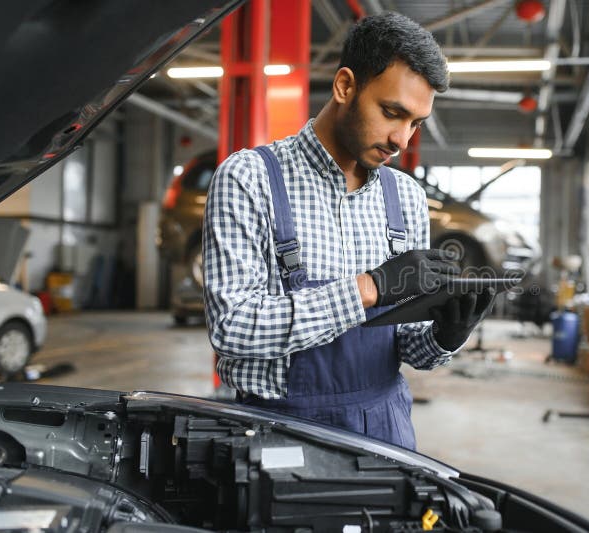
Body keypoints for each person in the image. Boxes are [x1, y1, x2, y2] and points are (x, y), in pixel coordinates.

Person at [202, 12, 495, 449]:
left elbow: (408, 348)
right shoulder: (250, 178)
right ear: (345, 86)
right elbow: (233, 327)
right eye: (392, 112)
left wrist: (444, 336)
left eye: (415, 122)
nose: (402, 139)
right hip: (279, 432)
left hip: (385, 426)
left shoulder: (407, 198)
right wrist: (369, 288)